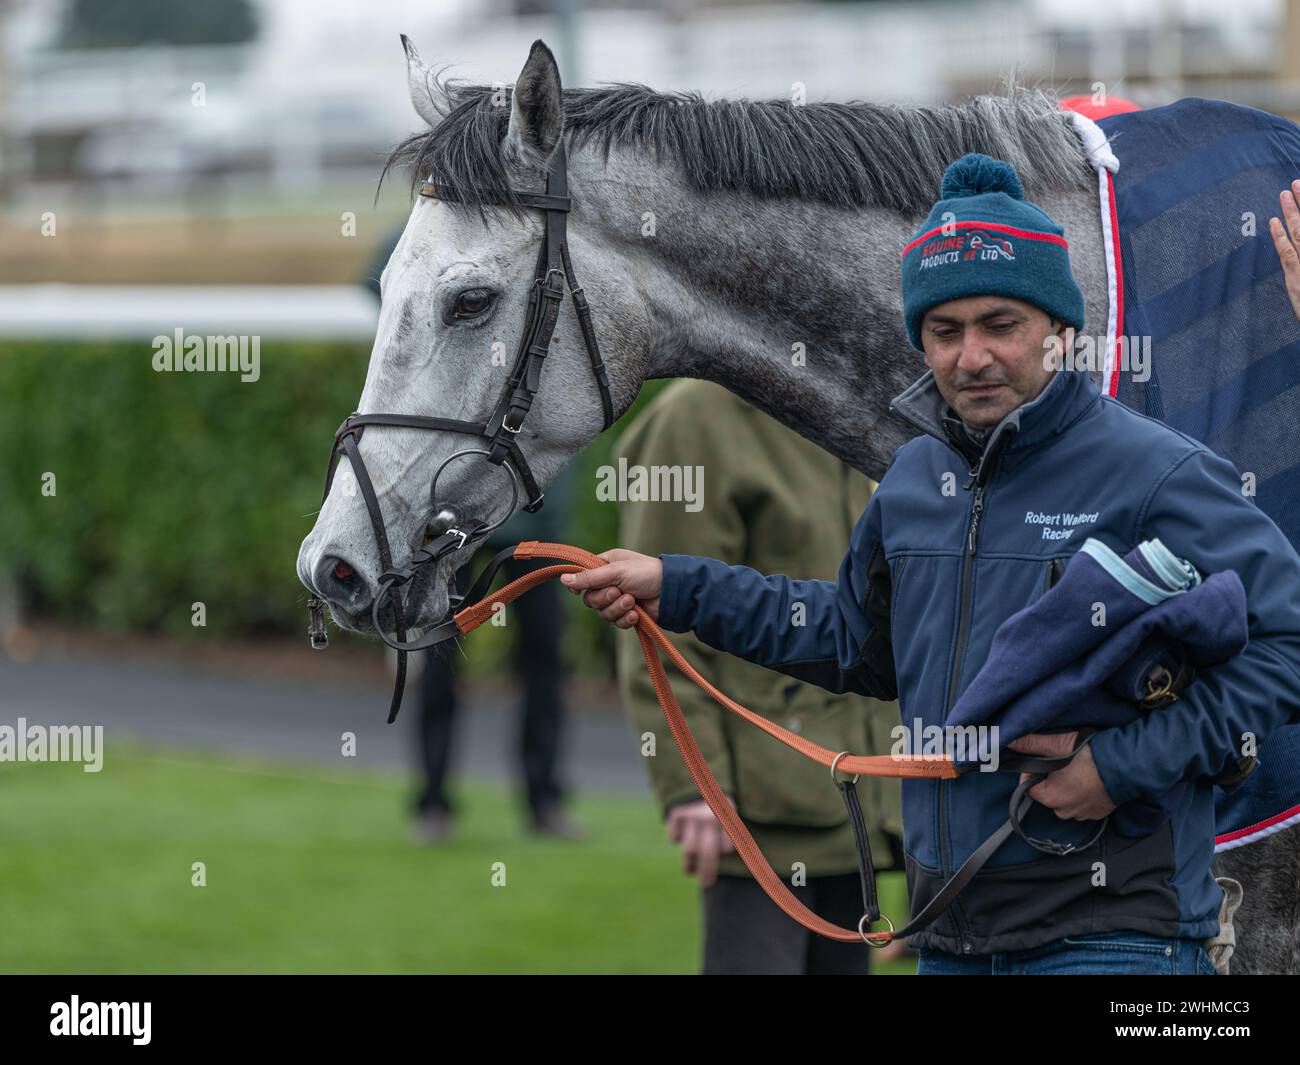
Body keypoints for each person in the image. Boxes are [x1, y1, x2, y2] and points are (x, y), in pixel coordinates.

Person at [561, 152, 1300, 974]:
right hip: (948, 937)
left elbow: (1290, 647)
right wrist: (677, 586)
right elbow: (851, 639)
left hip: (1115, 938)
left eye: (1000, 325)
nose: (970, 356)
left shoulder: (1157, 471)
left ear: (1061, 331)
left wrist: (1118, 767)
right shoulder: (912, 477)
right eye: (944, 331)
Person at [615, 379, 904, 975]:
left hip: (857, 799)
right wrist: (692, 785)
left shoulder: (853, 403)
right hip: (755, 807)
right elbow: (655, 625)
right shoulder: (693, 419)